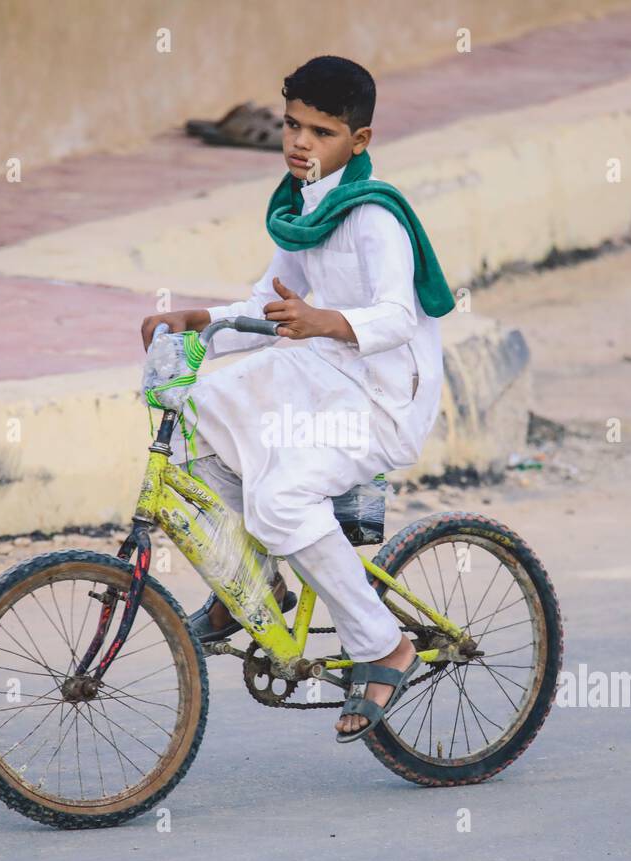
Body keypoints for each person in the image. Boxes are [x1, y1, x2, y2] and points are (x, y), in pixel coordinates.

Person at [139, 55, 455, 741]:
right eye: (291, 125)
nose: (299, 142)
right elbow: (267, 299)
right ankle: (252, 584)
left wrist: (327, 322)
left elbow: (400, 314)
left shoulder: (373, 219)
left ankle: (385, 647)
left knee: (282, 498)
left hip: (383, 397)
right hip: (326, 373)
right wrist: (202, 322)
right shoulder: (301, 208)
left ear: (358, 142)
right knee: (201, 411)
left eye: (320, 131)